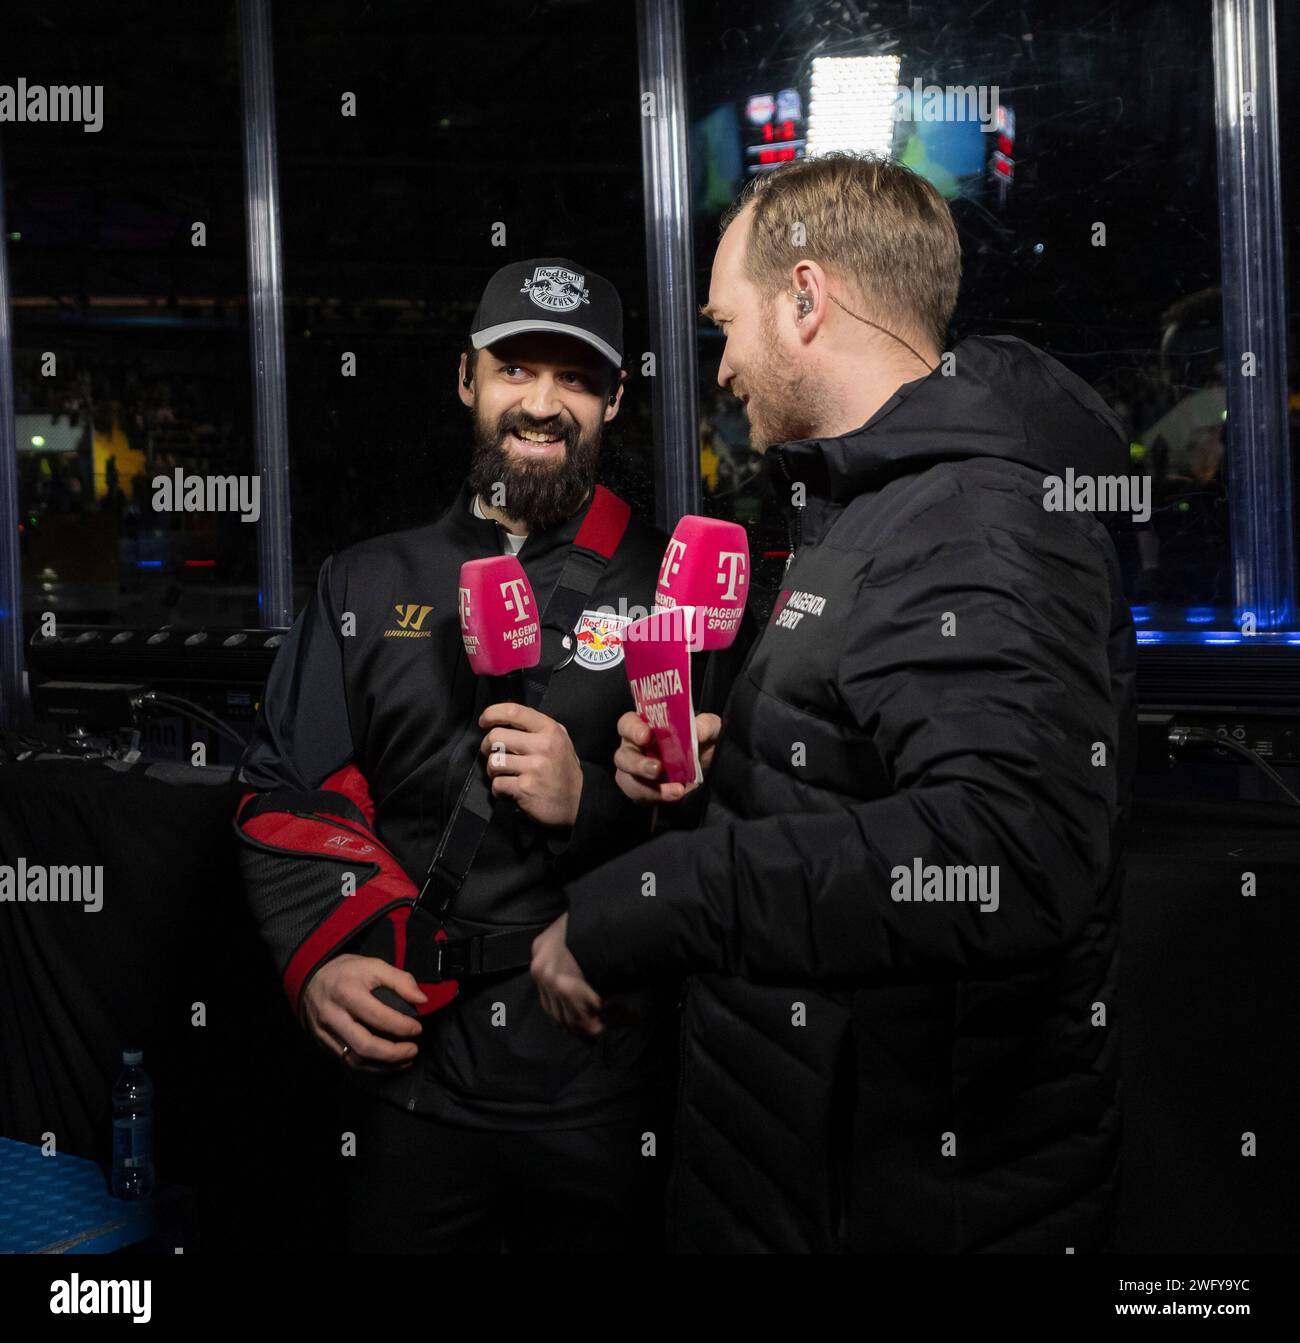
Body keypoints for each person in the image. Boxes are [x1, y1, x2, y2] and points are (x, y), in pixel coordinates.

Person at [532, 154, 1137, 1253]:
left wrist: (654, 897)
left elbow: (1007, 846)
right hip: (790, 1156)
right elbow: (859, 779)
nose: (719, 368)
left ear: (805, 299)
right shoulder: (861, 510)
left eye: (728, 323)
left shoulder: (974, 519)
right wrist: (724, 779)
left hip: (899, 1195)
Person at [234, 258, 701, 1253]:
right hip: (411, 1089)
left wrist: (595, 805)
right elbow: (283, 786)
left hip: (610, 1093)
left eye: (575, 377)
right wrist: (317, 959)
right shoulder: (365, 581)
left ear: (615, 398)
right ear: (466, 380)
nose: (541, 404)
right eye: (513, 368)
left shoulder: (678, 588)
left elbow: (748, 836)